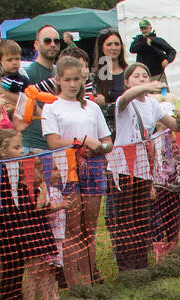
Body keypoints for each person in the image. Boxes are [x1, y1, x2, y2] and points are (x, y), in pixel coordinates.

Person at [43, 54, 111, 288]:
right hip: (66, 169)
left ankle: (89, 279)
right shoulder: (52, 108)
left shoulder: (91, 106)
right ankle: (73, 285)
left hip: (92, 167)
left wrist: (98, 148)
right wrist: (81, 141)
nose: (73, 84)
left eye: (77, 80)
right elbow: (52, 142)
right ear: (59, 80)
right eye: (68, 80)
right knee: (72, 228)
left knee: (89, 228)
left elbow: (107, 141)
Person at [112, 62, 180, 272]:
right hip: (123, 167)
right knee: (125, 218)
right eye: (137, 77)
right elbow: (125, 98)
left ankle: (141, 264)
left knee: (142, 216)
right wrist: (145, 88)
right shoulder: (123, 103)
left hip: (143, 166)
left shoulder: (153, 105)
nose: (142, 80)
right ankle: (127, 267)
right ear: (127, 81)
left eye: (145, 76)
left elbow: (175, 126)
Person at [0, 129, 61, 300]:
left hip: (28, 225)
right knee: (12, 270)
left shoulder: (23, 169)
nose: (21, 151)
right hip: (10, 229)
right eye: (16, 147)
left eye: (21, 147)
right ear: (1, 151)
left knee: (38, 267)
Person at [21, 25, 63, 151]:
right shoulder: (28, 73)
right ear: (36, 45)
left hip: (58, 143)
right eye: (47, 41)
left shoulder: (61, 73)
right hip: (34, 144)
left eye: (56, 41)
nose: (52, 44)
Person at [94, 30, 129, 133]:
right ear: (102, 47)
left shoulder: (130, 72)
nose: (114, 48)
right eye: (109, 44)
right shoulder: (96, 77)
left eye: (117, 44)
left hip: (131, 129)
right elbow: (99, 110)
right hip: (110, 133)